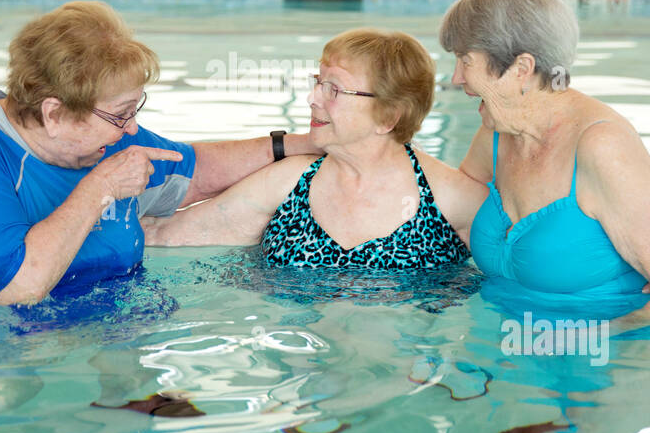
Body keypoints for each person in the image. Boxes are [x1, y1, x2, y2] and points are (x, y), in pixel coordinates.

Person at [0, 1, 320, 308]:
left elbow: (196, 171)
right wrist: (100, 188)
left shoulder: (105, 138)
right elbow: (16, 289)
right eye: (121, 114)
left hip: (109, 325)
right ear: (54, 112)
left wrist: (310, 142)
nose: (132, 129)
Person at [440, 0, 650, 328]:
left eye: (466, 61)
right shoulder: (497, 133)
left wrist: (589, 345)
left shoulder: (601, 147)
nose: (455, 78)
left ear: (521, 69)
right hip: (502, 346)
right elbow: (453, 202)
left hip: (597, 364)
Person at [143, 29, 483, 266]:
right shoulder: (290, 185)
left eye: (333, 90)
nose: (312, 99)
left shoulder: (451, 199)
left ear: (388, 117)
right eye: (318, 83)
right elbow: (164, 236)